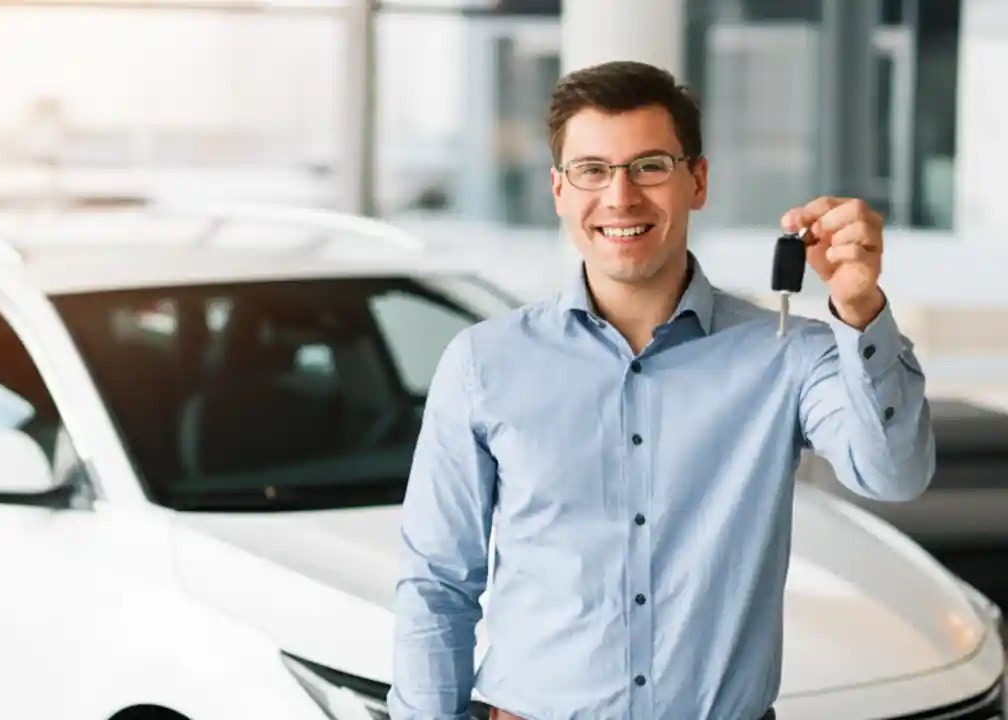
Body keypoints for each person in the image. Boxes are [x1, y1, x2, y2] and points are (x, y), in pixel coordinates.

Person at [387, 60, 935, 720]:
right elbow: (437, 583)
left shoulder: (789, 352)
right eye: (593, 170)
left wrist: (860, 308)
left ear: (696, 181)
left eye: (649, 166)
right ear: (560, 190)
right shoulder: (483, 364)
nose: (620, 197)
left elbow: (895, 473)